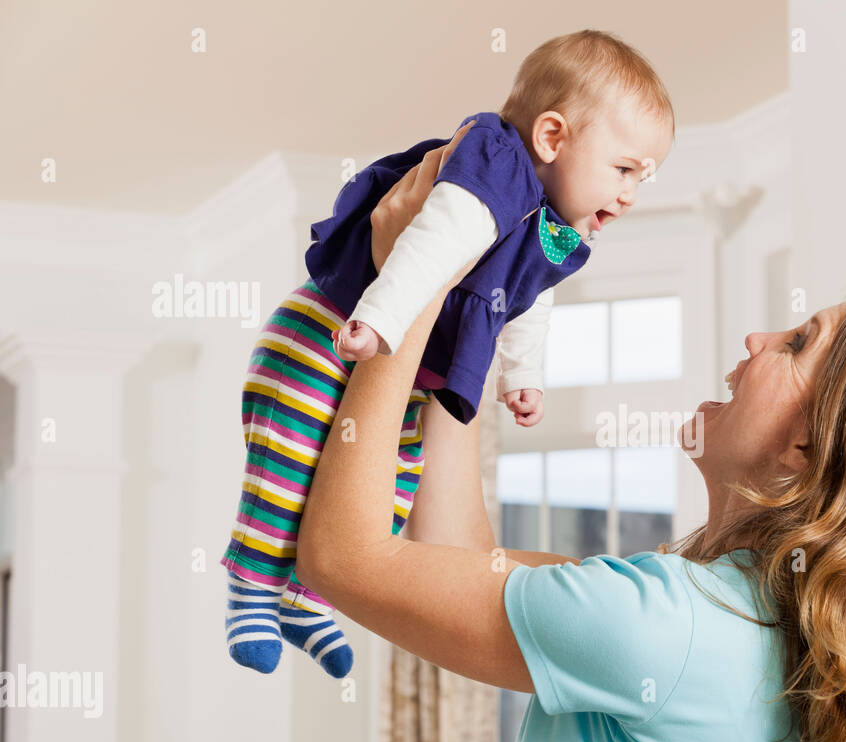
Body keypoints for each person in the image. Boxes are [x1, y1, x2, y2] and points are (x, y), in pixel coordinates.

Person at [296, 153, 846, 742]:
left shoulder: (665, 627)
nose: (758, 337)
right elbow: (459, 565)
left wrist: (412, 282)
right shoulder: (731, 621)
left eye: (800, 342)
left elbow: (344, 558)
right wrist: (471, 323)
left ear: (810, 449)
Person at [220, 29, 674, 679]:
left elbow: (527, 300)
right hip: (329, 331)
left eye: (642, 177)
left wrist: (523, 374)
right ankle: (249, 584)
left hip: (396, 373)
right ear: (551, 138)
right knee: (287, 468)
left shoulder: (549, 225)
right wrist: (378, 319)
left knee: (394, 486)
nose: (631, 194)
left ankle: (303, 598)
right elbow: (428, 244)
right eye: (625, 169)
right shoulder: (493, 168)